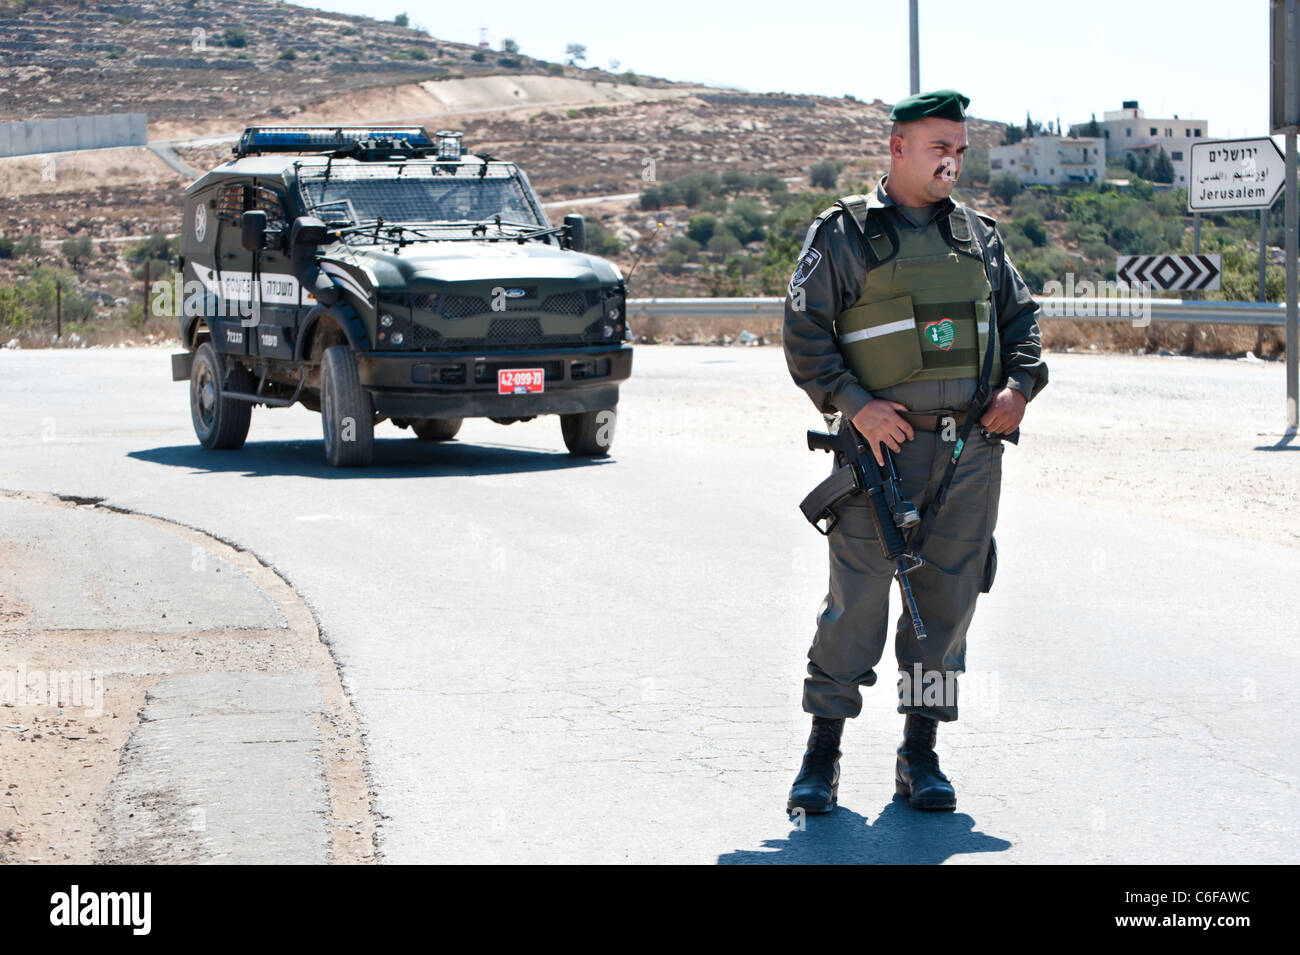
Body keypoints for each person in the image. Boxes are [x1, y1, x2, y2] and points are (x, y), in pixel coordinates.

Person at [781, 89, 1048, 813]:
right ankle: (822, 755)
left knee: (947, 604)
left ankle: (919, 752)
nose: (952, 164)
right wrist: (855, 403)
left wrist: (1020, 386)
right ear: (898, 148)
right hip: (879, 459)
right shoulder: (842, 234)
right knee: (856, 604)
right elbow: (805, 333)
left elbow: (1023, 322)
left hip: (969, 456)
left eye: (960, 151)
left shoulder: (978, 237)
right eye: (940, 149)